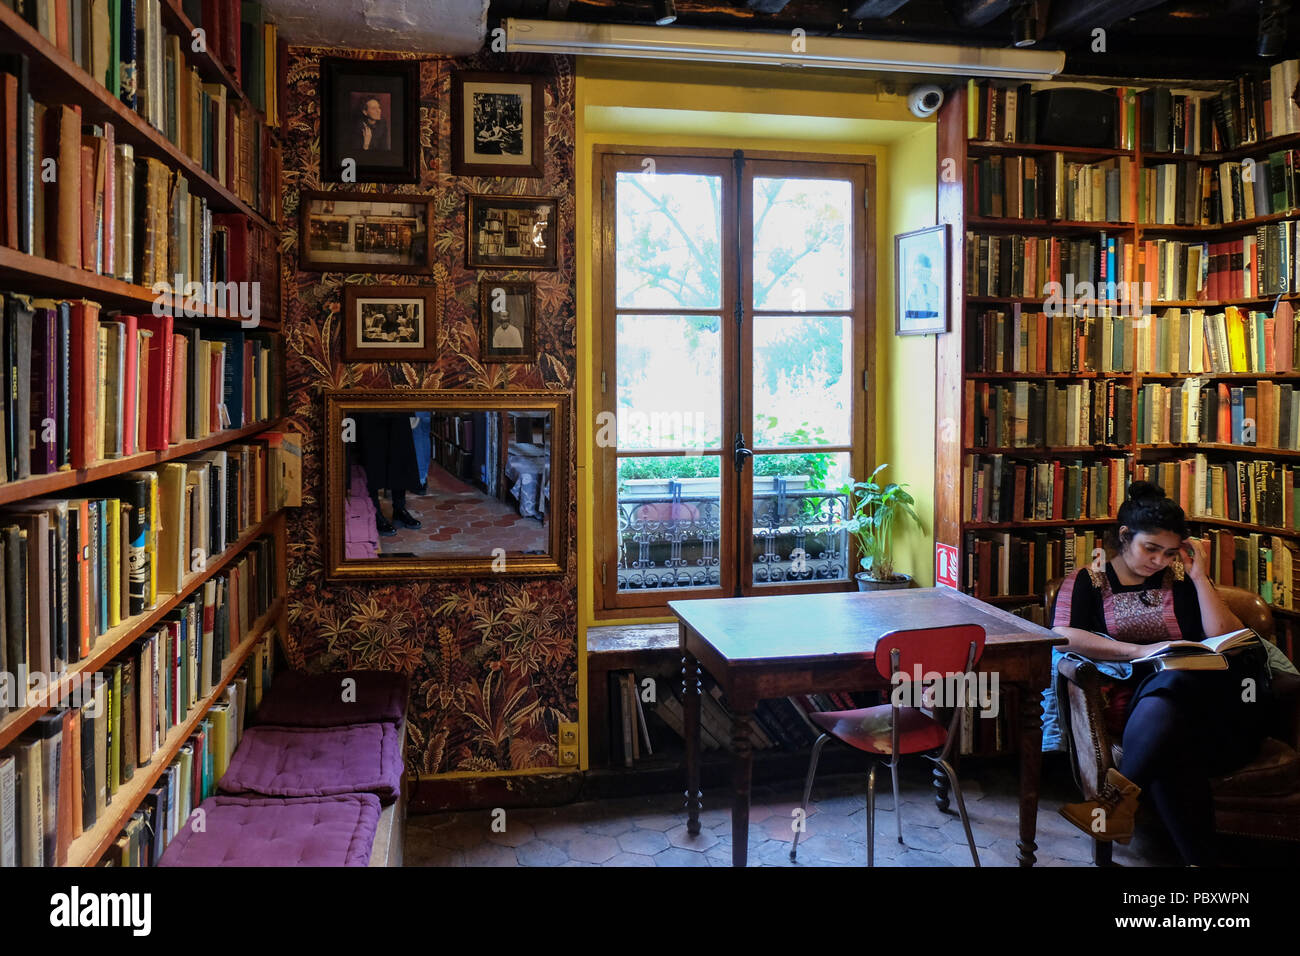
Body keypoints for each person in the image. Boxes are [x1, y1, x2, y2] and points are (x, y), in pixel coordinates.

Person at [1050, 481, 1274, 865]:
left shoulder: (1184, 582)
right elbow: (1062, 636)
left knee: (1179, 675)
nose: (1158, 561)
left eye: (1169, 553)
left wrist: (1200, 576)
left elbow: (1229, 637)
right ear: (1124, 536)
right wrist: (1140, 650)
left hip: (1219, 715)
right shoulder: (1088, 581)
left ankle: (1114, 805)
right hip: (1156, 722)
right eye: (1150, 548)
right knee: (1171, 748)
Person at [904, 252, 940, 320]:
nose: (919, 276)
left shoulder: (938, 292)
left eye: (922, 271)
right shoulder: (912, 296)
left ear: (929, 271)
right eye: (917, 272)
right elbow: (909, 321)